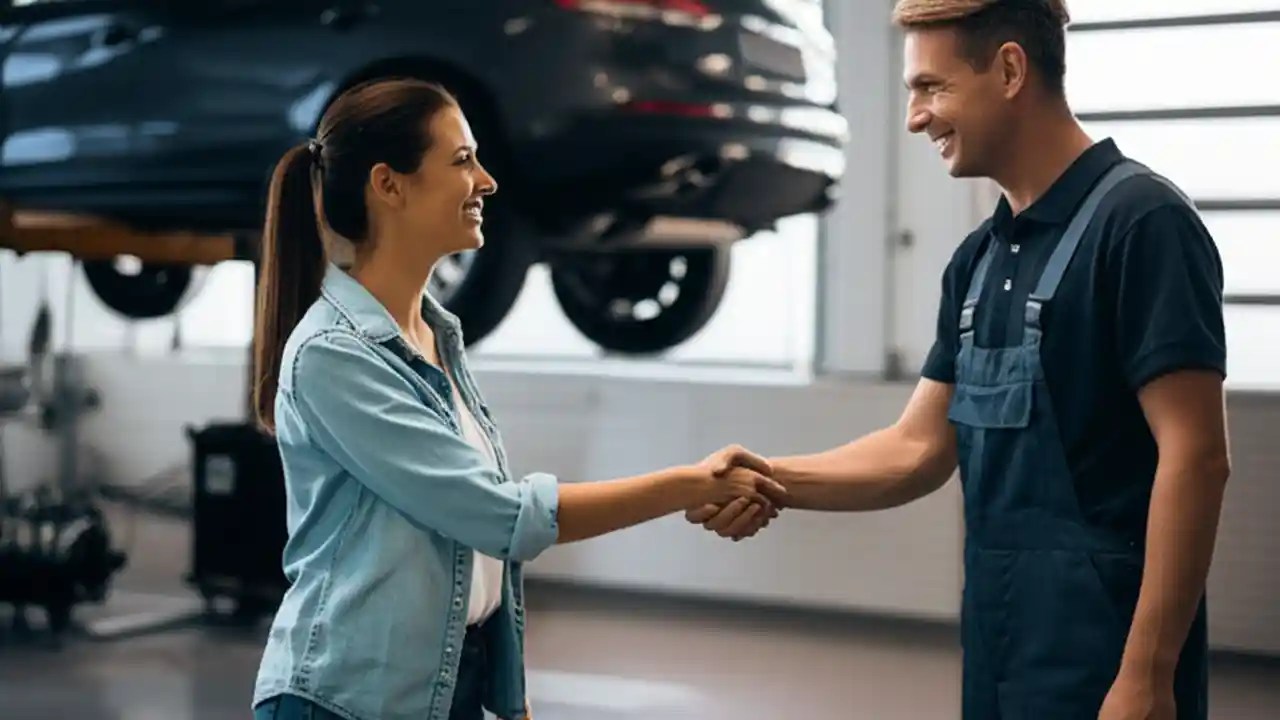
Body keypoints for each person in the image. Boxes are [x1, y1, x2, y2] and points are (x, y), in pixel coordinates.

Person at [688, 1, 1231, 718]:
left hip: (1109, 661)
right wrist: (766, 478)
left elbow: (1196, 457)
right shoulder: (977, 261)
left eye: (930, 87)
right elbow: (917, 448)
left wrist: (1147, 674)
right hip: (1001, 649)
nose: (915, 117)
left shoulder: (1142, 224)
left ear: (1009, 69)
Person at [247, 77, 784, 720]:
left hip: (447, 689)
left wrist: (507, 695)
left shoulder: (435, 333)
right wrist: (689, 485)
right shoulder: (334, 355)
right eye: (461, 160)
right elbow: (497, 516)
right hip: (341, 699)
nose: (486, 180)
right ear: (388, 185)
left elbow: (471, 555)